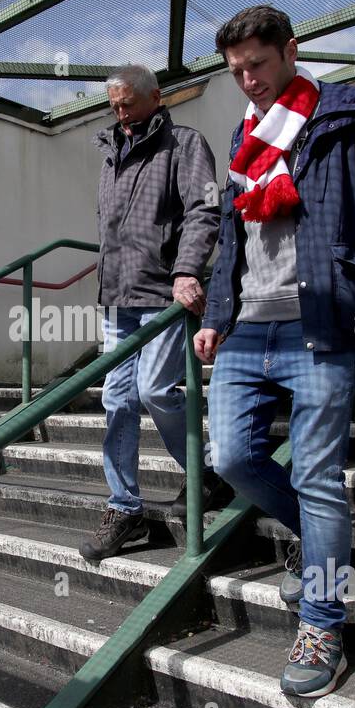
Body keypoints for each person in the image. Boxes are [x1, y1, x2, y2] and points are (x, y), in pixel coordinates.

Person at [196, 5, 355, 697]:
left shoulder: (348, 112)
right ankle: (323, 539)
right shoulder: (244, 133)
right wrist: (216, 313)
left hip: (325, 319)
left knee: (319, 476)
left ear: (290, 51)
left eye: (258, 66)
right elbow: (234, 238)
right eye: (236, 71)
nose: (248, 81)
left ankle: (324, 622)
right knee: (230, 457)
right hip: (249, 325)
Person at [81, 64, 222, 562]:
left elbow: (204, 210)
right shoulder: (109, 152)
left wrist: (187, 270)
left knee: (156, 389)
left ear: (156, 98)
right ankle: (124, 506)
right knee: (116, 400)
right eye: (114, 105)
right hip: (117, 297)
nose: (120, 114)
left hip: (163, 294)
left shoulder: (184, 144)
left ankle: (207, 470)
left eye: (128, 104)